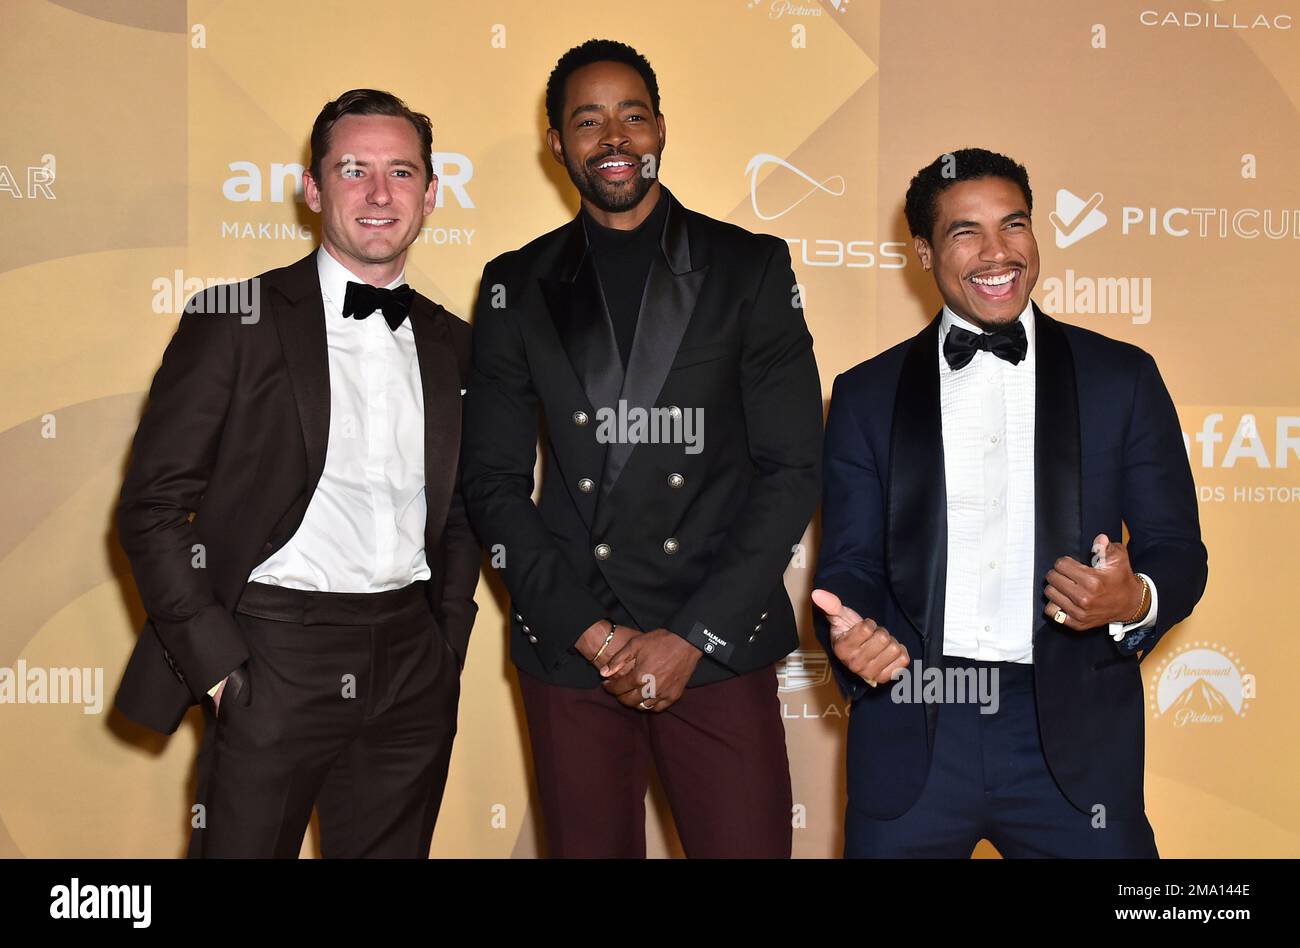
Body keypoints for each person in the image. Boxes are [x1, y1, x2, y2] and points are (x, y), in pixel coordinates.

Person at [460, 39, 822, 857]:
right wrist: (591, 633)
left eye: (632, 114)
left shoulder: (748, 267)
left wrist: (692, 636)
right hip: (571, 641)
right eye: (588, 120)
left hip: (717, 641)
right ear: (557, 144)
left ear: (661, 127)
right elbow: (491, 483)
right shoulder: (515, 282)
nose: (613, 136)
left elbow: (792, 467)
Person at [114, 89, 479, 858]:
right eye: (353, 171)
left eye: (402, 172)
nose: (379, 194)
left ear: (432, 194)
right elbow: (151, 506)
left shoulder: (458, 344)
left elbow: (466, 513)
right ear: (313, 190)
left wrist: (446, 645)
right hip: (274, 652)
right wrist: (220, 670)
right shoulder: (234, 320)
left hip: (414, 658)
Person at [812, 147, 1207, 858]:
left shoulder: (1123, 377)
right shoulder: (865, 395)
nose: (999, 252)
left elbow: (1177, 548)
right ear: (925, 252)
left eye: (1014, 224)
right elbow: (849, 562)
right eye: (967, 231)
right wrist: (854, 638)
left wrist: (1134, 597)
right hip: (914, 728)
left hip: (1074, 739)